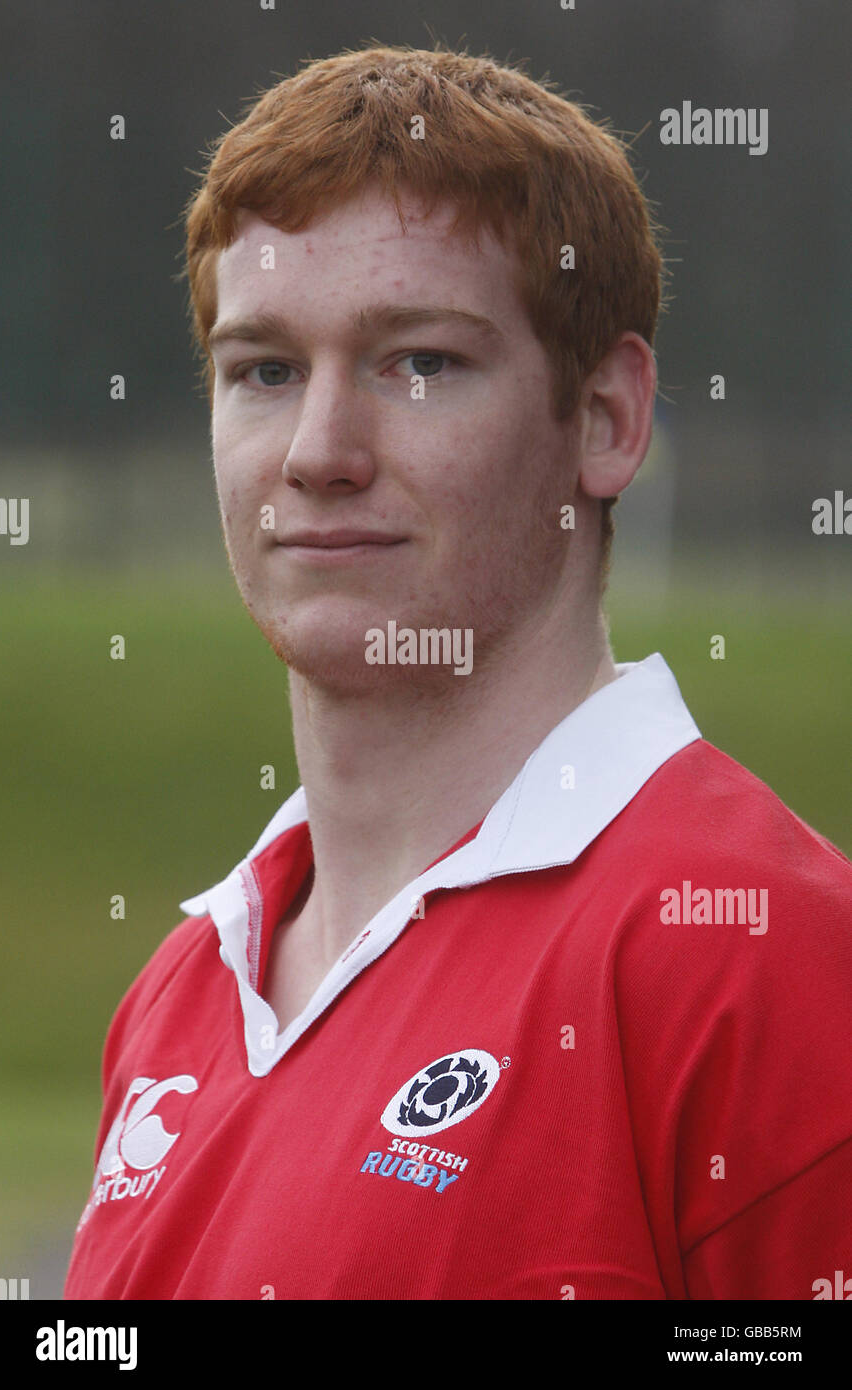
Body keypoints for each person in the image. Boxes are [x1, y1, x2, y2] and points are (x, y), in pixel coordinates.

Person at [64, 42, 852, 1301]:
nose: (319, 452)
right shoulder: (182, 993)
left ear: (605, 419)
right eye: (264, 371)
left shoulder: (757, 956)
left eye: (418, 362)